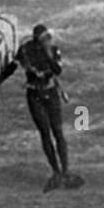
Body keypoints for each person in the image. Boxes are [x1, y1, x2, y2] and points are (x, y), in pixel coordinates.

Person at [14, 22, 72, 189]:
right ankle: (56, 172)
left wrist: (48, 54)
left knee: (58, 132)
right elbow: (13, 64)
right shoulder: (26, 51)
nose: (47, 41)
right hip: (34, 95)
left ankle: (66, 171)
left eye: (48, 38)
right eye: (43, 39)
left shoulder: (54, 51)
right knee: (45, 133)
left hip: (51, 92)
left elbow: (57, 71)